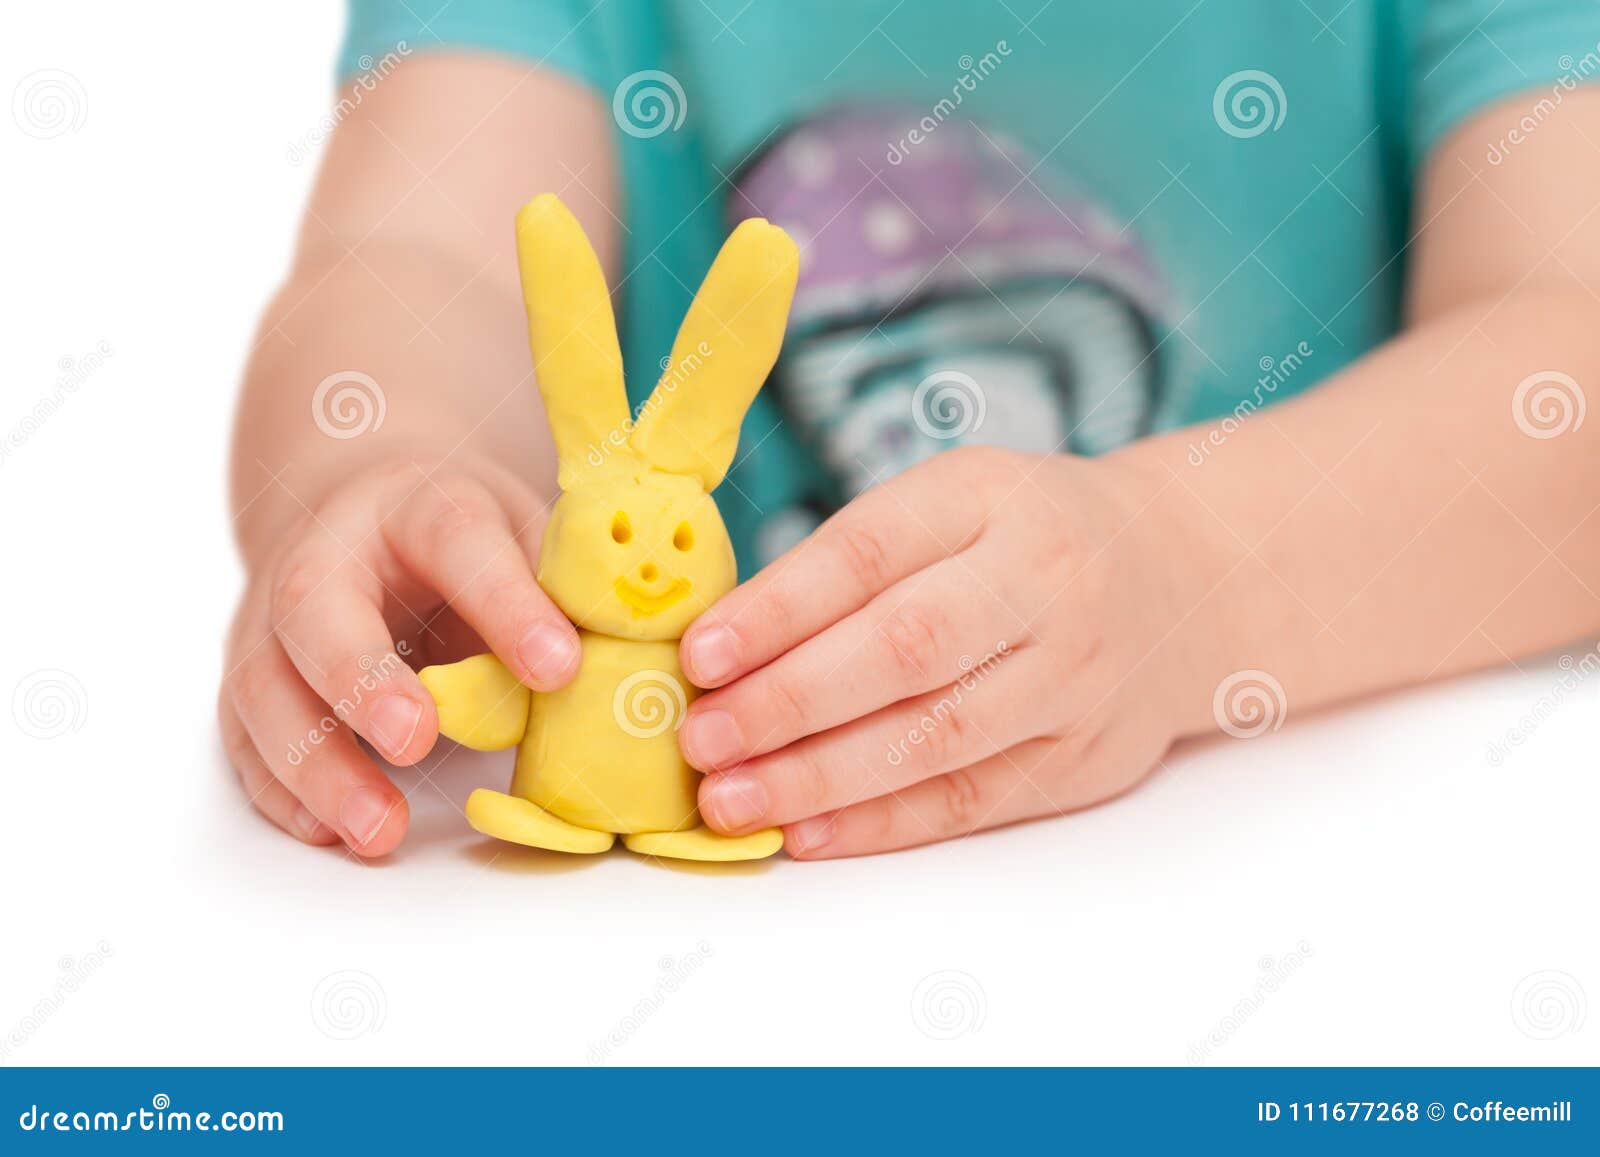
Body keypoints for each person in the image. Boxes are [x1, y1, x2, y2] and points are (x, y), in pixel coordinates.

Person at [222, 0, 1600, 859]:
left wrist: (1193, 576)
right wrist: (377, 468)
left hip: (1269, 863)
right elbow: (416, 257)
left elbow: (1569, 366)